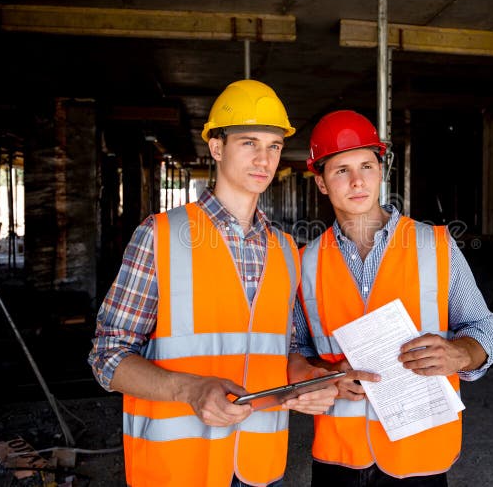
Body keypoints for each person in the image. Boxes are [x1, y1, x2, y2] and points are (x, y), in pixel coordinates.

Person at [88, 79, 337, 487]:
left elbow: (284, 348)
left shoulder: (287, 249)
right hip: (178, 468)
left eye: (274, 145)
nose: (264, 159)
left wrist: (304, 376)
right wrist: (189, 390)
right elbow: (107, 356)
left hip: (260, 466)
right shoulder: (162, 236)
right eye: (248, 143)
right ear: (217, 148)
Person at [289, 110, 493, 486]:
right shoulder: (305, 262)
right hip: (340, 457)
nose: (357, 181)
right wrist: (324, 375)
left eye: (367, 166)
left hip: (418, 454)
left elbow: (483, 329)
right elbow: (295, 349)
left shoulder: (434, 245)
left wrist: (462, 354)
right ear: (320, 182)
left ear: (381, 170)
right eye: (341, 170)